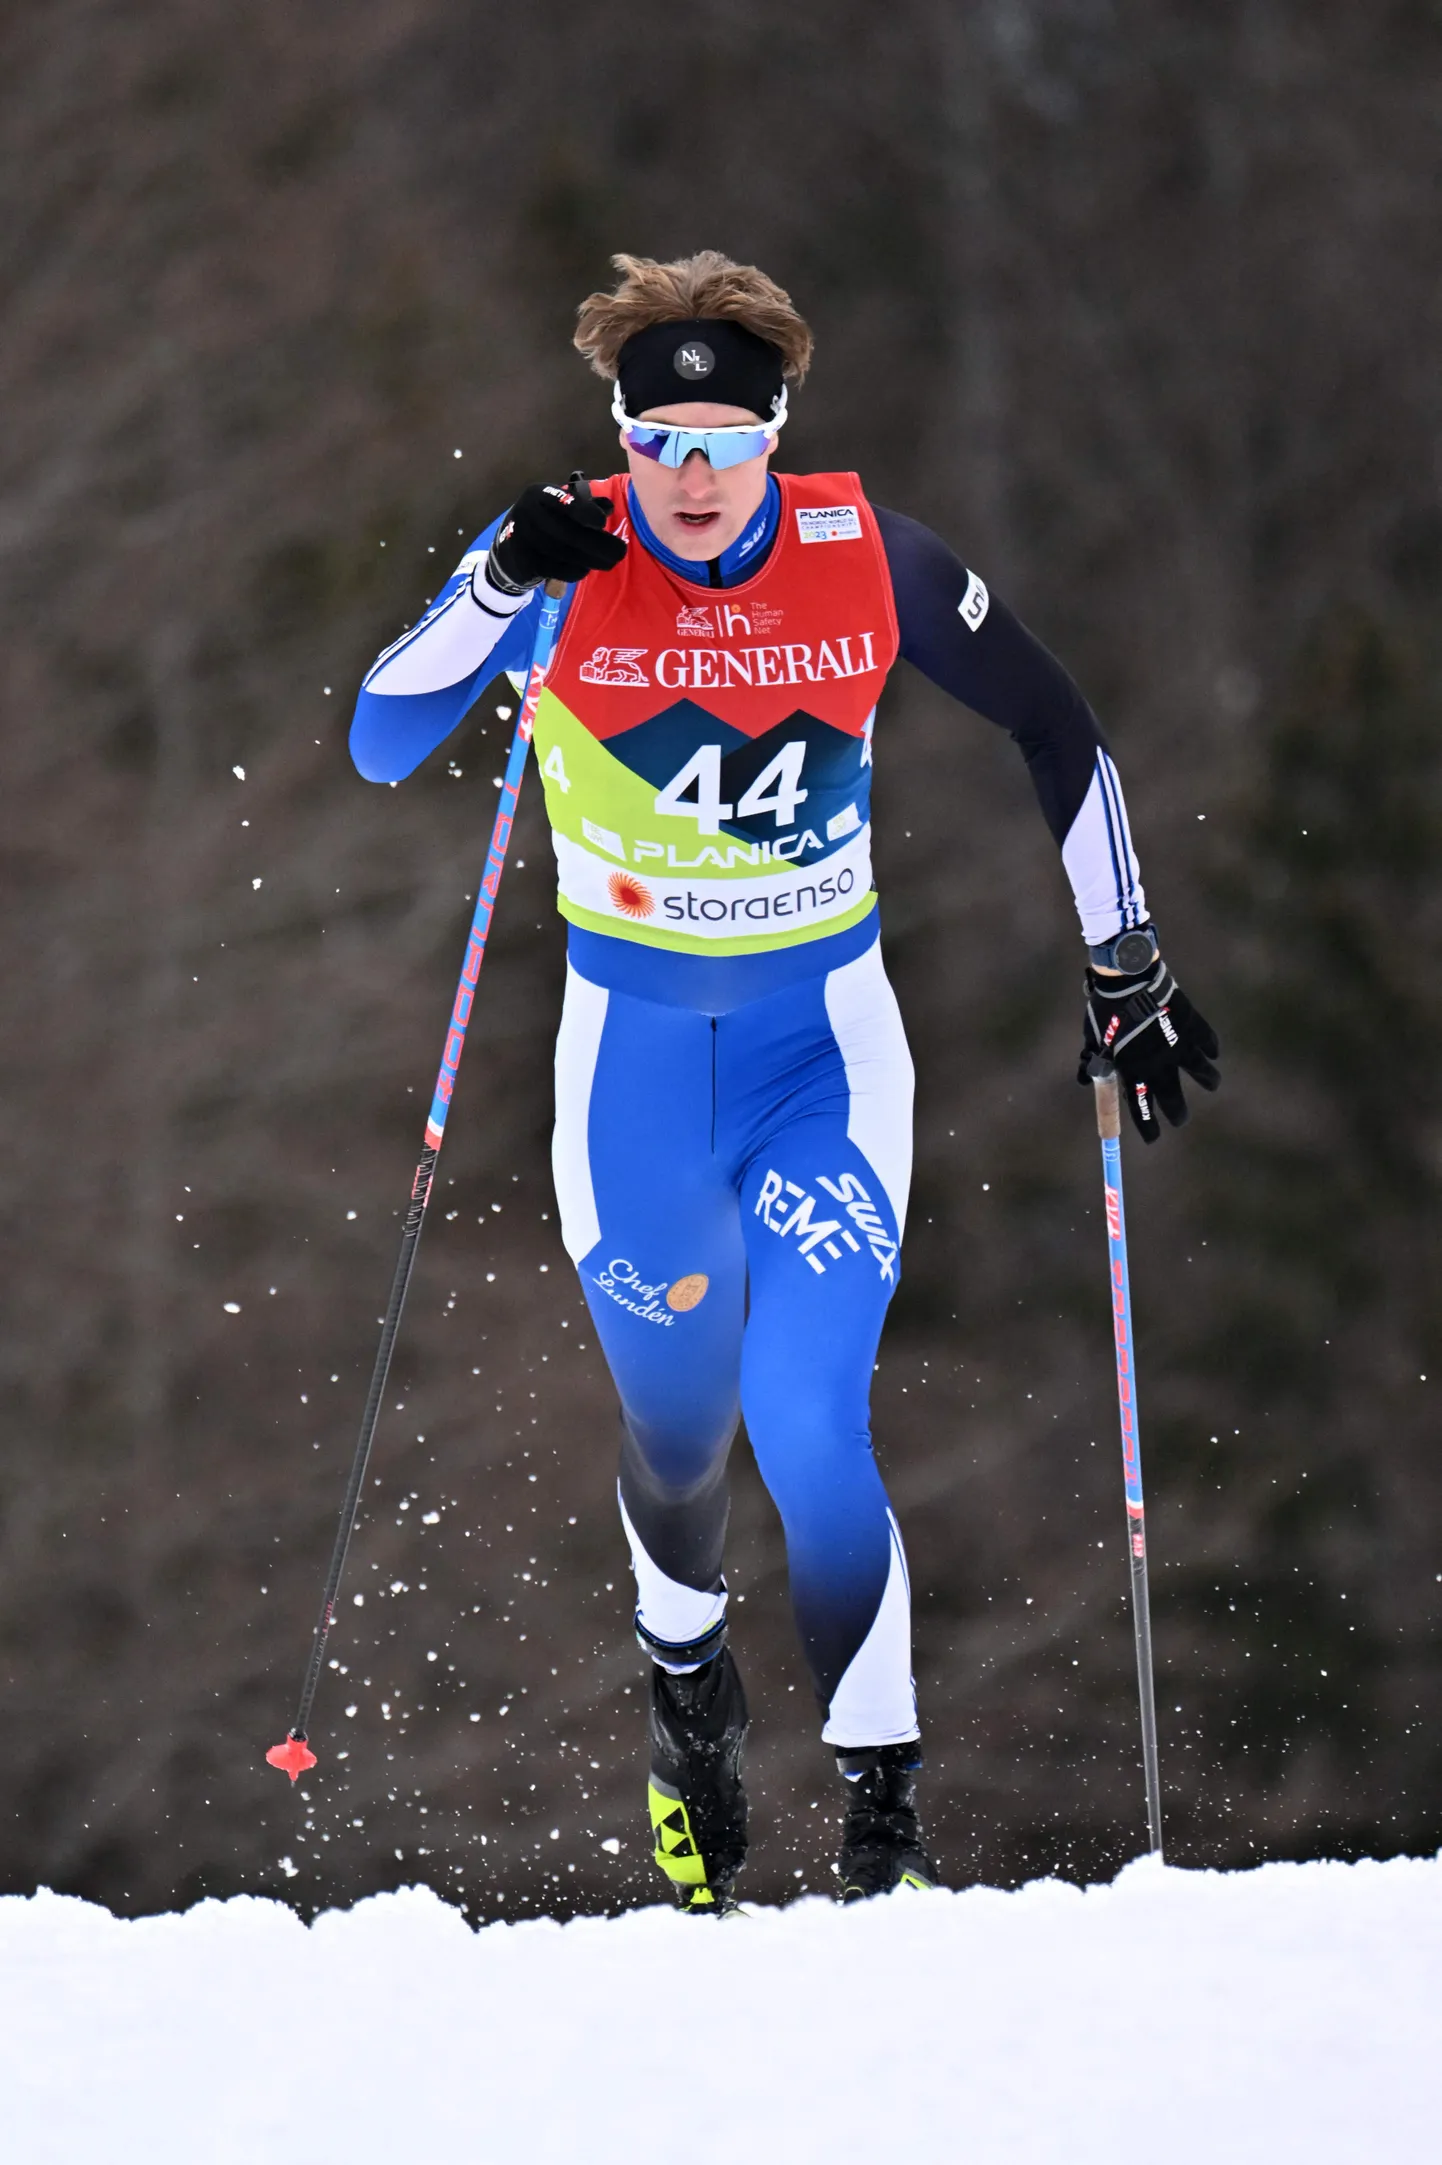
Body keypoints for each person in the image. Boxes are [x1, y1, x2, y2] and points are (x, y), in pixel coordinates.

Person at [349, 251, 1219, 1913]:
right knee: (679, 1445)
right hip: (630, 1072)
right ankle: (686, 1686)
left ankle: (884, 1824)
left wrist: (1125, 961)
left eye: (723, 444)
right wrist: (492, 590)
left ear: (775, 435)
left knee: (808, 1413)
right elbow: (382, 742)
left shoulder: (867, 555)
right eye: (656, 442)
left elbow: (1059, 730)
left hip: (819, 1052)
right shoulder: (557, 555)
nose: (688, 478)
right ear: (620, 437)